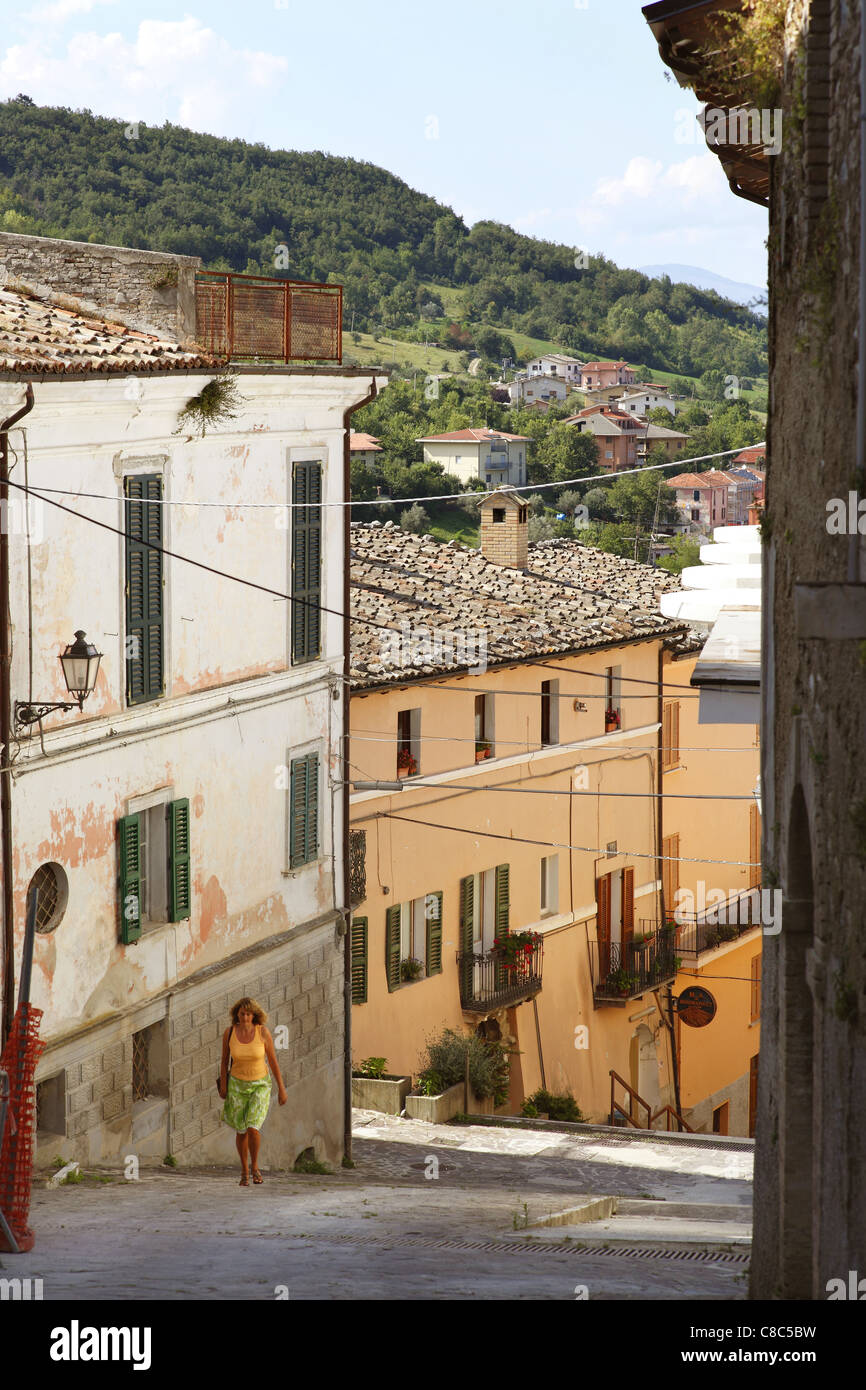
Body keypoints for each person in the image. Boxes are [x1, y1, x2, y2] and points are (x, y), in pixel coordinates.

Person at [219, 997, 287, 1185]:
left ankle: (255, 1166)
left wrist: (281, 1088)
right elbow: (224, 1061)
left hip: (260, 1085)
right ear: (237, 1015)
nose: (245, 1017)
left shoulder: (263, 1033)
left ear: (254, 1015)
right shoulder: (229, 1033)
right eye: (242, 1014)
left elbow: (273, 1062)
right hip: (237, 1086)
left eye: (249, 1014)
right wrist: (224, 1085)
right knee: (241, 1130)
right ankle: (244, 1171)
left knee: (253, 1127)